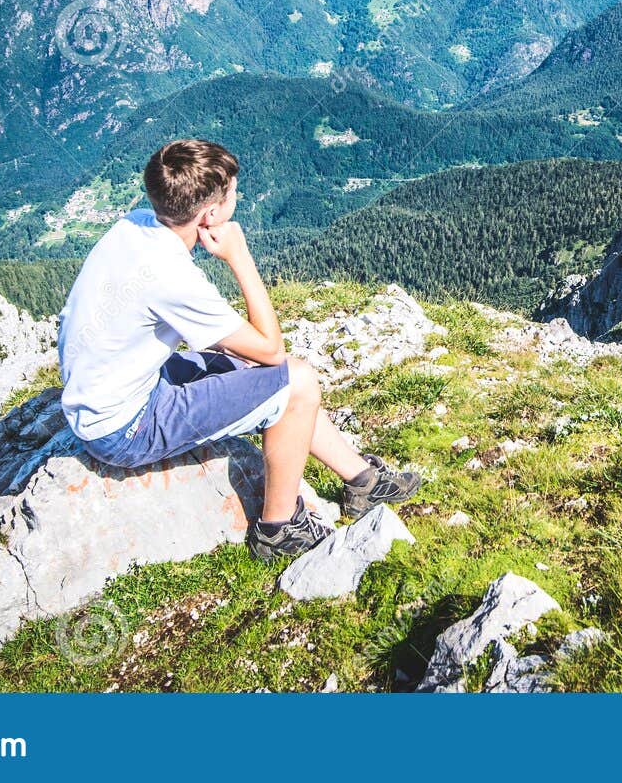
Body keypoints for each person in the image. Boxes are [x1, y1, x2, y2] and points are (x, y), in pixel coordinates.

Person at [55, 138, 421, 558]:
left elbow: (250, 355)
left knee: (249, 367)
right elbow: (272, 350)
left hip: (108, 392)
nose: (238, 197)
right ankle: (279, 530)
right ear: (210, 214)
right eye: (232, 192)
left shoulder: (135, 224)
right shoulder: (170, 274)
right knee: (297, 382)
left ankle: (363, 482)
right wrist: (239, 257)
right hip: (124, 428)